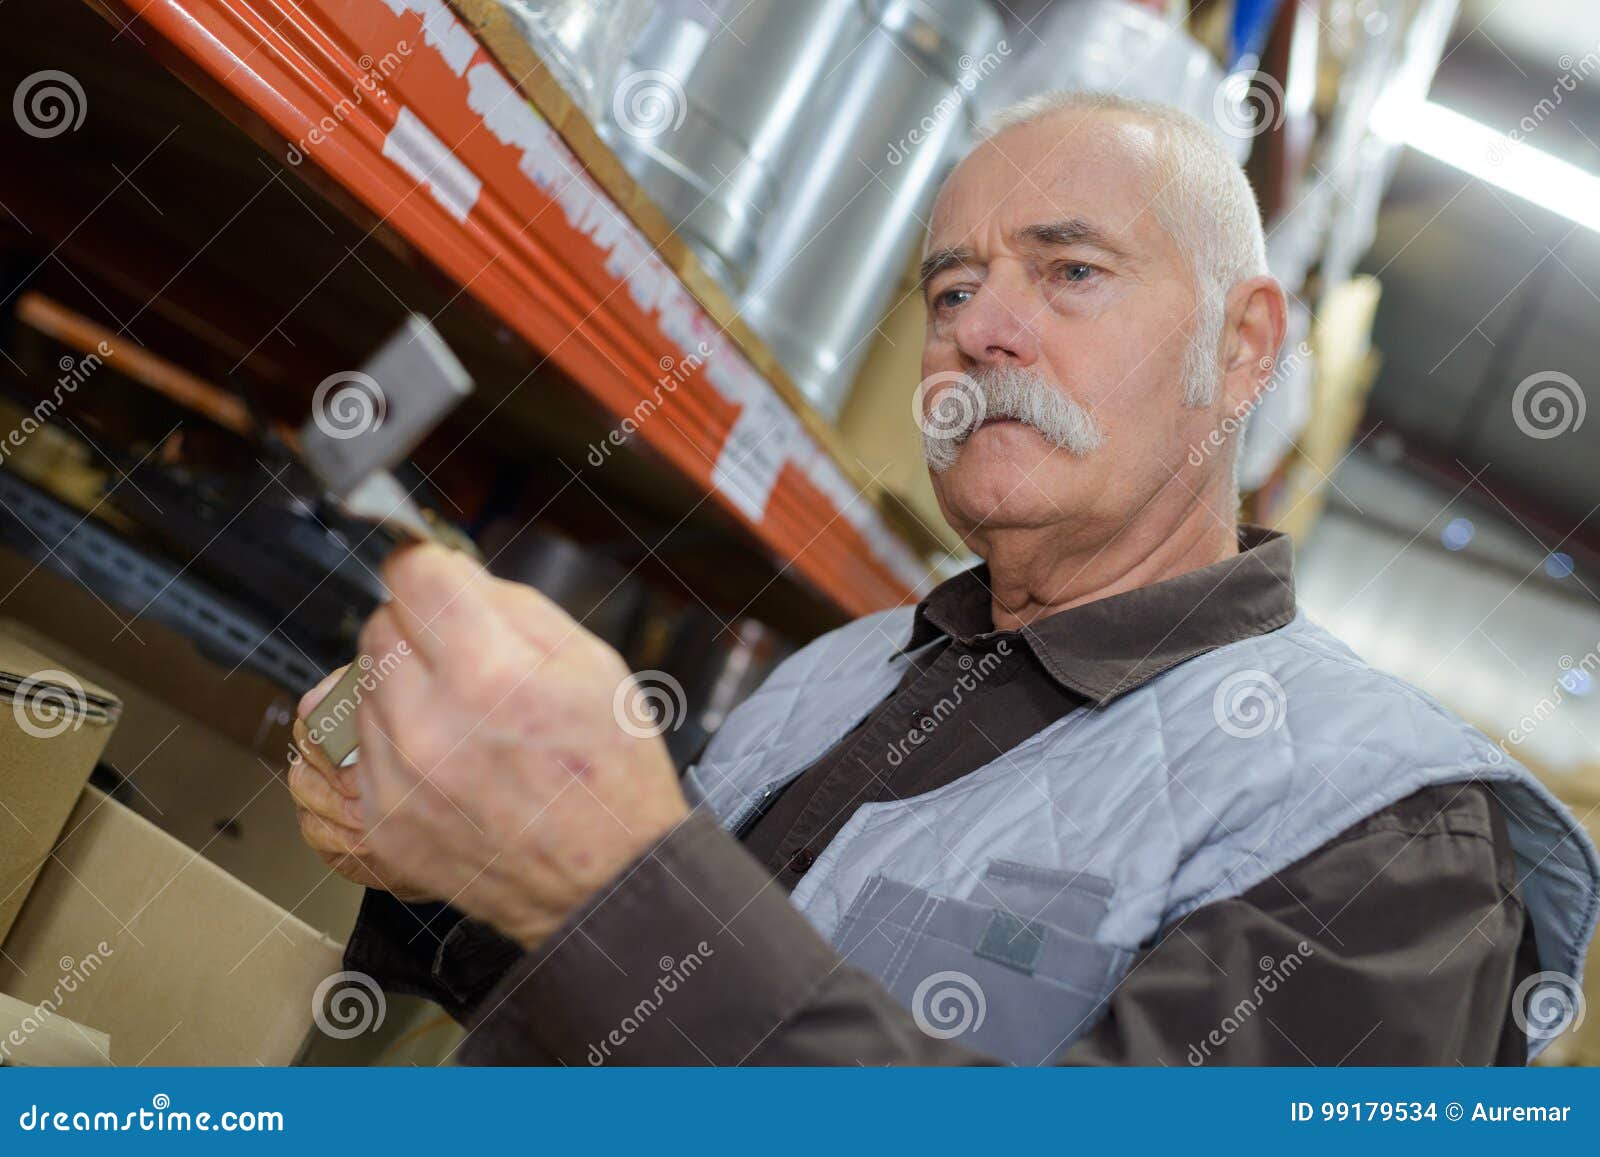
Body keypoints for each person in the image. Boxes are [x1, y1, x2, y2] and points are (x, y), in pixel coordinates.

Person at [289, 92, 1597, 1065]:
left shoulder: (1393, 832)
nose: (981, 326)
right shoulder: (832, 677)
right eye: (951, 286)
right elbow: (630, 1020)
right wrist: (453, 845)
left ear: (1245, 344)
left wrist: (612, 886)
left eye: (1070, 270)